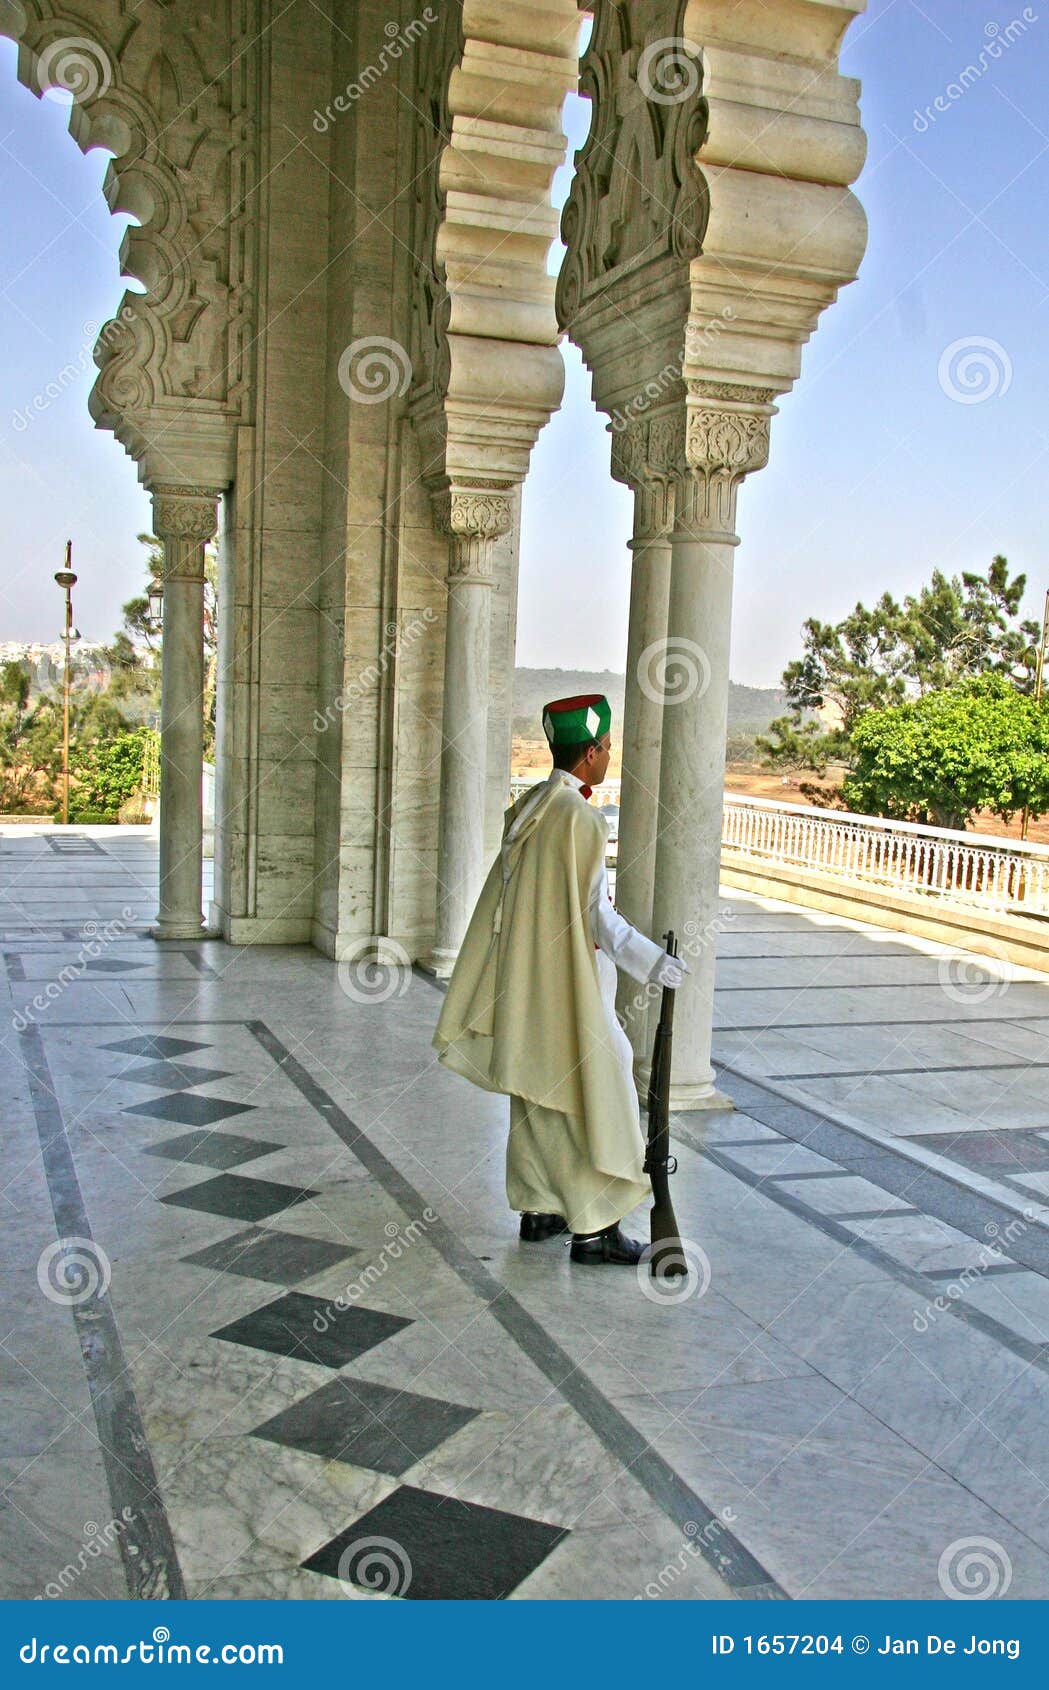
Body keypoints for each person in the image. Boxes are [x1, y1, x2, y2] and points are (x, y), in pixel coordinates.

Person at [432, 693, 688, 1266]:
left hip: (524, 983)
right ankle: (595, 1228)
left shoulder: (532, 806)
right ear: (591, 752)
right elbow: (596, 913)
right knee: (598, 1083)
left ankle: (541, 1207)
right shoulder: (580, 818)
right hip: (568, 984)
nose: (609, 757)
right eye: (607, 748)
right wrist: (652, 961)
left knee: (535, 1087)